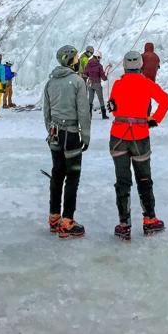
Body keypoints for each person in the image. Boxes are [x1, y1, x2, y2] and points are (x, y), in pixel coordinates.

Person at [107, 50, 168, 240]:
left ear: (125, 66)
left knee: (122, 181)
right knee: (144, 179)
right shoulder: (147, 84)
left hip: (118, 136)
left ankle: (124, 224)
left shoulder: (118, 84)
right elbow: (165, 100)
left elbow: (113, 108)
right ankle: (149, 220)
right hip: (140, 136)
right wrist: (154, 119)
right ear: (140, 65)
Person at [44, 45, 92, 239]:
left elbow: (46, 111)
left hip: (55, 133)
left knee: (57, 174)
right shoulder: (77, 81)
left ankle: (54, 217)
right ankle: (67, 221)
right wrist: (86, 136)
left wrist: (50, 131)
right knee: (72, 176)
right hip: (71, 134)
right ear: (71, 60)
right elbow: (83, 112)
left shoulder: (50, 82)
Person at [83, 51, 109, 119]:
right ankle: (104, 115)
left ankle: (89, 115)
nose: (99, 59)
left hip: (90, 83)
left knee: (90, 99)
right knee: (101, 99)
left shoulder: (88, 64)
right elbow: (103, 77)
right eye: (99, 57)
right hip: (97, 83)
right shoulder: (99, 66)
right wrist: (106, 77)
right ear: (97, 57)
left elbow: (85, 73)